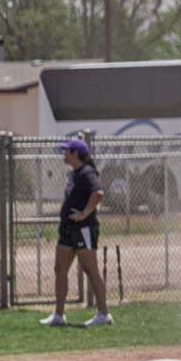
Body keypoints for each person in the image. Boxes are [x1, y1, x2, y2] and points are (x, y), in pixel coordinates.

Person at [40, 137, 112, 327]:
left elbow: (98, 193)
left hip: (83, 229)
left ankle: (104, 314)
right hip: (68, 229)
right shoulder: (74, 173)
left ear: (75, 154)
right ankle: (59, 315)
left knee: (91, 270)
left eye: (67, 151)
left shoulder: (87, 172)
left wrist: (84, 213)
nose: (64, 154)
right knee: (60, 268)